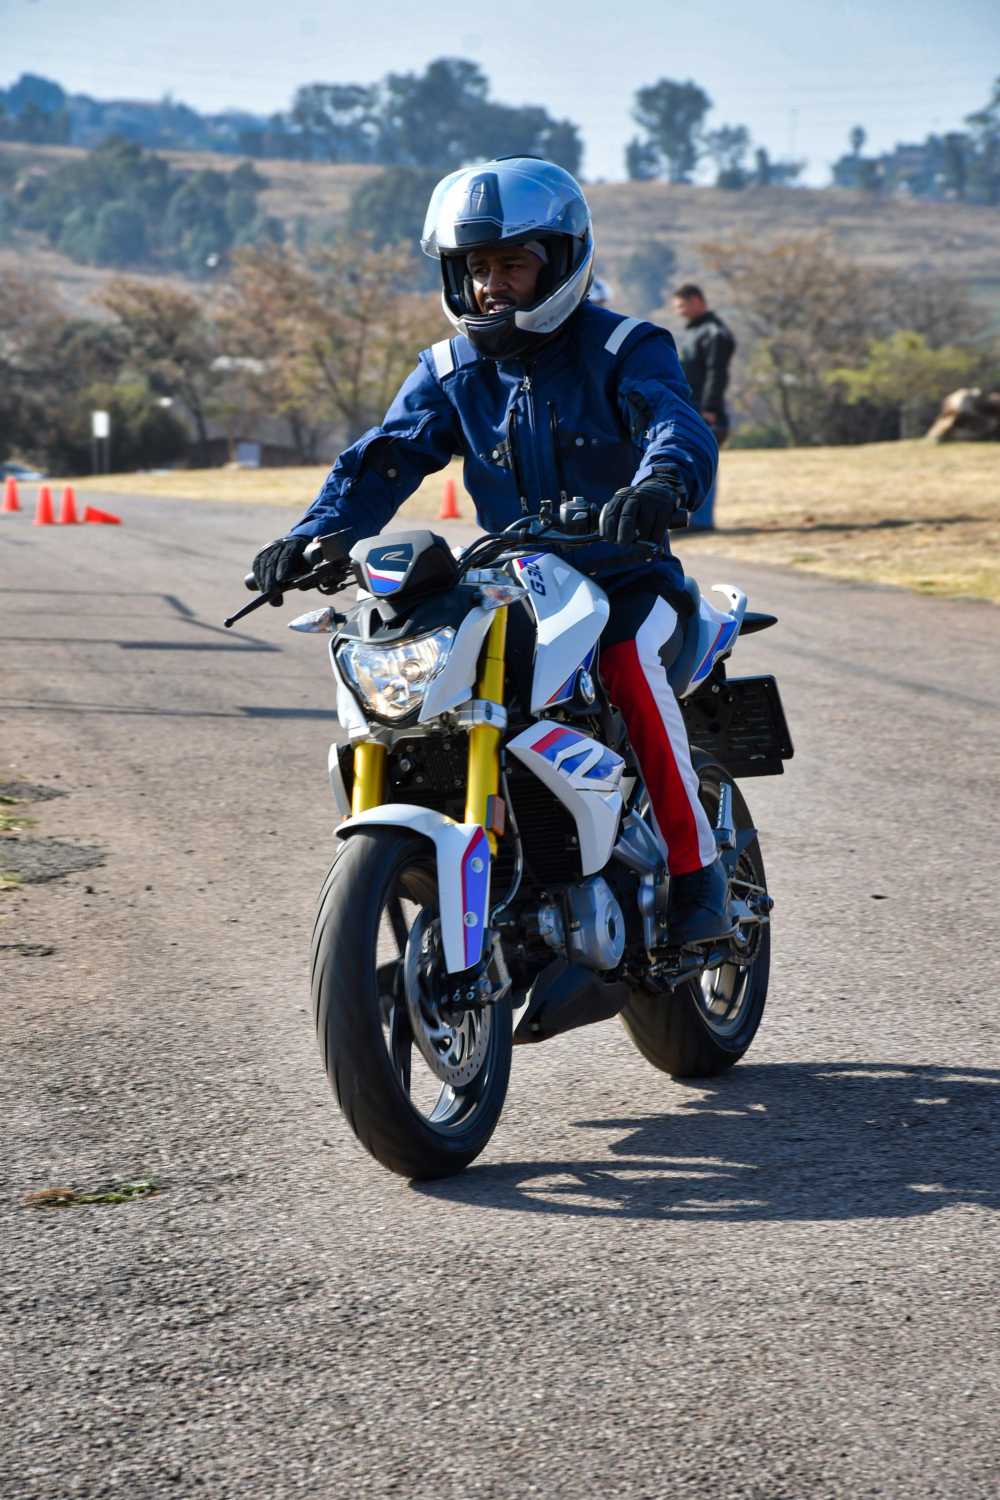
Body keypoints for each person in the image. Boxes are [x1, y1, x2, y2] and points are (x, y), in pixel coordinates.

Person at [251, 158, 732, 945]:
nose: (492, 285)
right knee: (432, 674)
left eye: (512, 263)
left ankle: (695, 873)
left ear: (562, 261)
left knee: (626, 669)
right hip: (515, 582)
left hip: (627, 578)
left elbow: (672, 422)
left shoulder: (625, 347)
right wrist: (314, 535)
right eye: (477, 268)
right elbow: (386, 458)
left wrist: (659, 485)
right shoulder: (448, 369)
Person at [671, 283, 736, 531]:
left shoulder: (714, 333)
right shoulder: (696, 332)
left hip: (704, 410)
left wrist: (710, 408)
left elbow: (716, 374)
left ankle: (701, 521)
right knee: (684, 462)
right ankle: (689, 519)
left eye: (682, 305)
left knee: (702, 462)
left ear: (697, 300)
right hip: (689, 407)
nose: (679, 312)